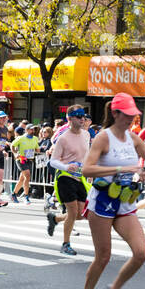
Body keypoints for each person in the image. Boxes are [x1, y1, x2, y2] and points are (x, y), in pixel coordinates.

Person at [75, 94, 145, 289]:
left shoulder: (133, 138)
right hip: (102, 201)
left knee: (141, 252)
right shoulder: (103, 138)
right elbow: (86, 169)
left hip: (124, 201)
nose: (132, 119)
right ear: (115, 114)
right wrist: (118, 170)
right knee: (103, 256)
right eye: (128, 115)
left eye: (134, 115)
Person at [45, 107, 91, 254]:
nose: (82, 119)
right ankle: (66, 244)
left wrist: (89, 169)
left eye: (83, 116)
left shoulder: (86, 134)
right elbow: (53, 161)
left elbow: (86, 154)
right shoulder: (63, 138)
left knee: (81, 214)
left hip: (80, 177)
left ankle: (55, 219)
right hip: (65, 177)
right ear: (69, 119)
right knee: (72, 212)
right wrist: (66, 166)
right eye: (78, 116)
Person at [9, 124, 39, 203]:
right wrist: (15, 153)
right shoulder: (21, 138)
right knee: (27, 176)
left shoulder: (35, 139)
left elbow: (37, 149)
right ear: (26, 130)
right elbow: (12, 145)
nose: (33, 131)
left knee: (22, 179)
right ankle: (26, 196)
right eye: (31, 129)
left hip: (29, 160)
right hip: (21, 159)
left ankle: (13, 194)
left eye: (33, 129)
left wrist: (39, 150)